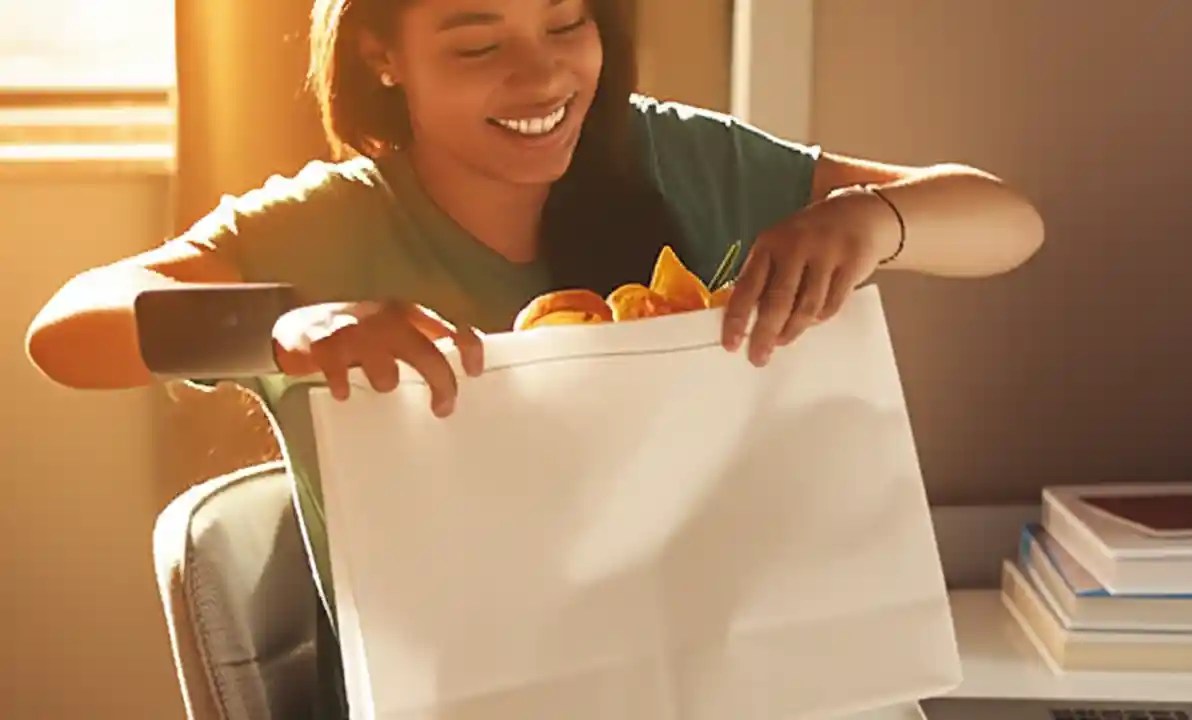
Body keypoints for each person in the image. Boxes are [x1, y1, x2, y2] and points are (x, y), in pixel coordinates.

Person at [25, 0, 1044, 714]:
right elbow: (69, 330)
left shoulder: (681, 161)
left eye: (566, 23)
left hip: (755, 671)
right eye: (477, 47)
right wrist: (283, 325)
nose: (542, 76)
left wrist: (872, 224)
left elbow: (1005, 221)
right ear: (383, 56)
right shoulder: (324, 226)